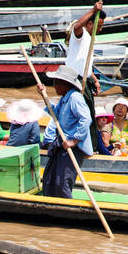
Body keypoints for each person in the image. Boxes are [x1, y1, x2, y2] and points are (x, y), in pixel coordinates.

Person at [38, 66, 93, 199]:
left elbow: (86, 119)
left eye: (56, 83)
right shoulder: (64, 99)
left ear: (66, 84)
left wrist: (74, 140)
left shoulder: (75, 98)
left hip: (73, 147)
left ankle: (67, 209)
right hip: (62, 144)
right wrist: (44, 95)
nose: (54, 86)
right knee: (50, 178)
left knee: (62, 182)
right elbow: (56, 114)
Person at [64, 0, 105, 85]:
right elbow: (76, 27)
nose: (100, 30)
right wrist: (93, 10)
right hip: (75, 79)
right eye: (99, 26)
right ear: (90, 24)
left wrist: (95, 80)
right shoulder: (81, 34)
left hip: (85, 78)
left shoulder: (89, 38)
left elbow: (84, 65)